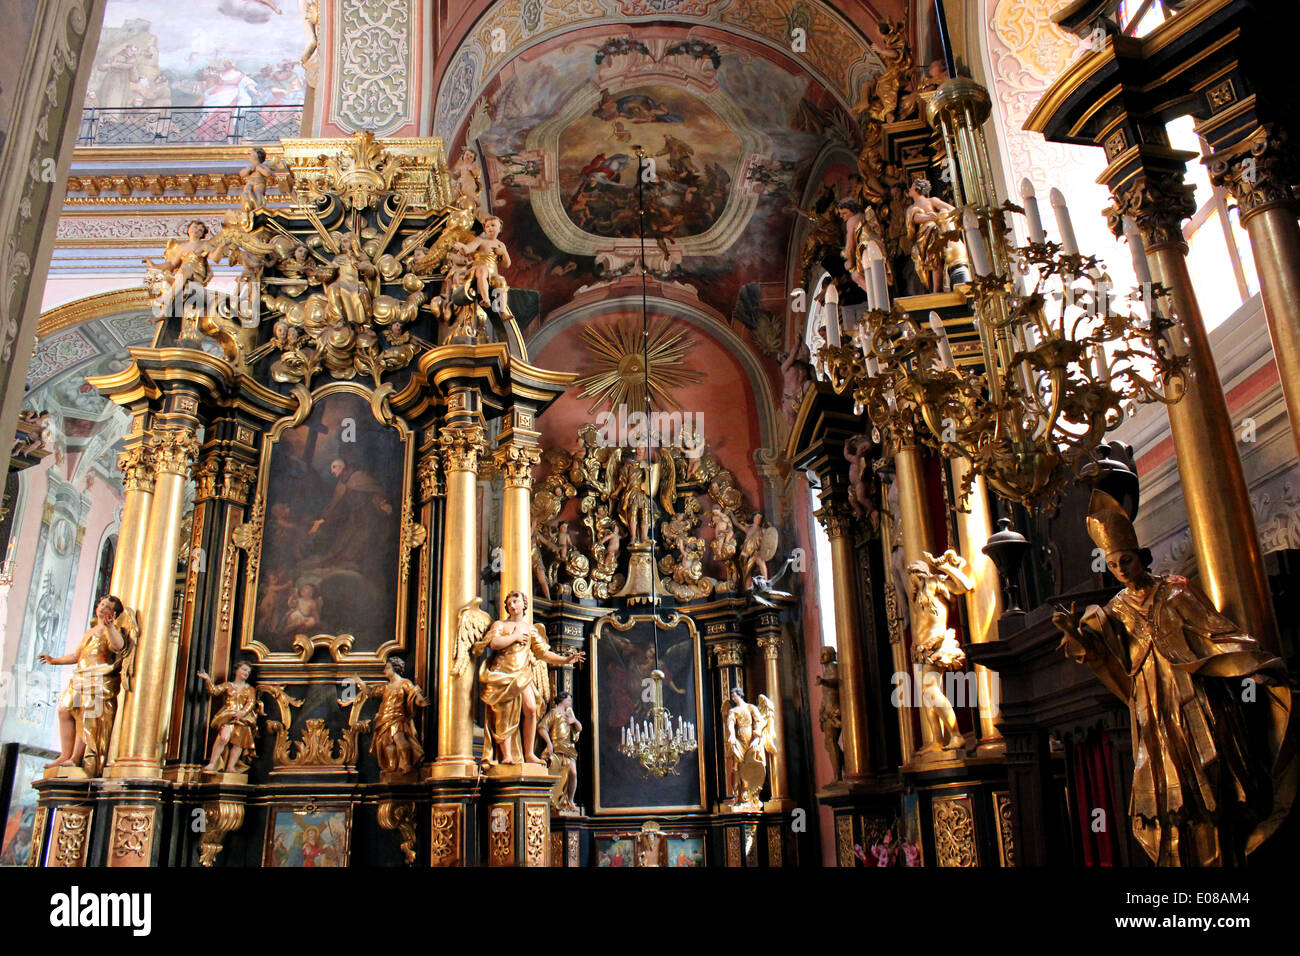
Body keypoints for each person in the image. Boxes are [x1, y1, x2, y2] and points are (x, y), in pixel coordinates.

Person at [1053, 491, 1295, 866]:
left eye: (1126, 560)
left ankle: (1228, 850)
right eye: (1113, 564)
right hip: (1152, 704)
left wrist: (1254, 666)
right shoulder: (1114, 610)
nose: (1120, 570)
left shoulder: (1177, 590)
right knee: (1170, 792)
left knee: (1214, 775)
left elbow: (1217, 633)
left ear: (1140, 556)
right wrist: (1077, 635)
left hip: (1194, 696)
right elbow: (1104, 658)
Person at [475, 591, 584, 767]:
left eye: (516, 601)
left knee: (532, 709)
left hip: (522, 675)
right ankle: (507, 755)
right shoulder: (500, 625)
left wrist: (566, 660)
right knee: (505, 715)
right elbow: (494, 643)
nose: (512, 605)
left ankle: (528, 753)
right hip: (502, 675)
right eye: (509, 602)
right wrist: (515, 637)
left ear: (524, 605)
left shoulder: (531, 629)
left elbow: (543, 653)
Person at [40, 596, 134, 774]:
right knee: (64, 710)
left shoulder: (111, 630)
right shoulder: (91, 631)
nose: (102, 607)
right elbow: (76, 656)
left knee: (85, 716)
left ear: (113, 614)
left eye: (107, 606)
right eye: (101, 604)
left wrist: (110, 627)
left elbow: (119, 646)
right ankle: (65, 754)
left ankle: (75, 758)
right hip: (80, 678)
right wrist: (53, 660)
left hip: (96, 679)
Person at [346, 656, 427, 774]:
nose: (385, 671)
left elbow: (414, 693)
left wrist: (419, 701)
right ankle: (392, 767)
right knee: (387, 745)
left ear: (395, 668)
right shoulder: (386, 687)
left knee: (400, 740)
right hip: (384, 720)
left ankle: (407, 764)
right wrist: (359, 682)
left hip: (398, 718)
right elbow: (370, 692)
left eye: (387, 668)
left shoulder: (405, 683)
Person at [197, 660, 261, 773]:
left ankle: (231, 766)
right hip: (228, 716)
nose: (246, 673)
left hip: (242, 718)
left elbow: (251, 702)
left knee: (238, 743)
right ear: (236, 670)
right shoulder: (228, 685)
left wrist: (242, 712)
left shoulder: (250, 689)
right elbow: (214, 691)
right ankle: (212, 763)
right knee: (224, 738)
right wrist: (207, 679)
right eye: (244, 670)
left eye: (248, 672)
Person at [538, 692, 582, 813]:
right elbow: (542, 727)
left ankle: (570, 800)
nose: (570, 703)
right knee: (557, 774)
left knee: (573, 773)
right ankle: (554, 800)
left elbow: (579, 728)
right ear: (562, 701)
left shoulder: (569, 715)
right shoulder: (554, 713)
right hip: (557, 748)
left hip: (569, 749)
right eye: (568, 700)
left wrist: (574, 721)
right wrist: (549, 743)